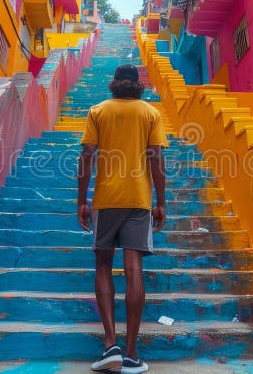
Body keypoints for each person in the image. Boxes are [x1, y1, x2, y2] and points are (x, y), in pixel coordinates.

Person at [77, 64, 168, 374]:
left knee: (103, 265)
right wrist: (161, 202)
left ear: (114, 83)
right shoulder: (150, 113)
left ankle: (110, 345)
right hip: (139, 201)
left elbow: (87, 155)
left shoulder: (98, 111)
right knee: (134, 268)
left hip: (106, 200)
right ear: (138, 85)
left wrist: (81, 201)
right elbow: (156, 159)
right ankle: (131, 354)